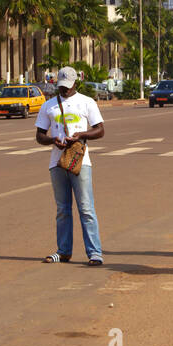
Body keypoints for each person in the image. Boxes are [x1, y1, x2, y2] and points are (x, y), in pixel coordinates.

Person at [35, 66, 106, 265]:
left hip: (80, 162)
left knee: (86, 209)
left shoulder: (86, 102)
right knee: (62, 209)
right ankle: (63, 251)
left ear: (75, 83)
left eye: (66, 86)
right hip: (57, 163)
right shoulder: (49, 105)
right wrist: (52, 141)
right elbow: (39, 135)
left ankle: (94, 253)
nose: (63, 90)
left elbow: (100, 130)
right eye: (60, 86)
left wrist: (81, 135)